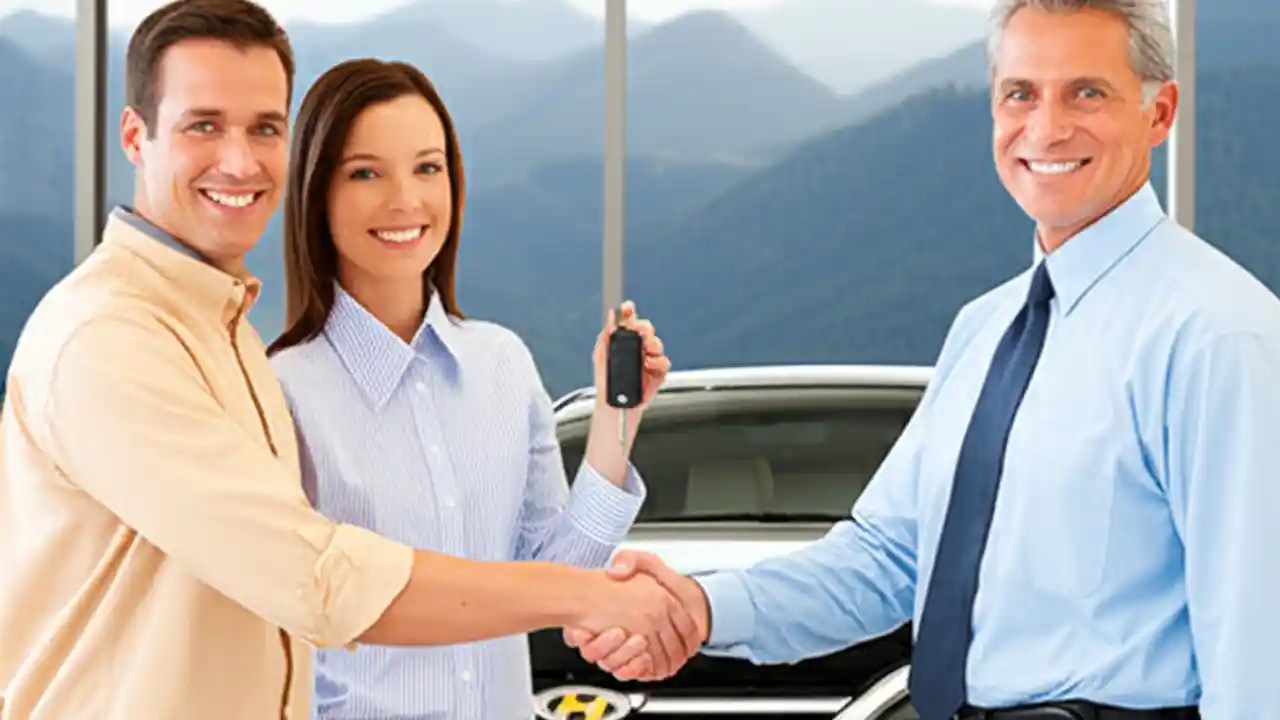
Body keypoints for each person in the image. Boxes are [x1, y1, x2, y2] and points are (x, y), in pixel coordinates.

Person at [567, 1, 1280, 718]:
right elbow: (891, 560)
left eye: (1087, 92)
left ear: (1160, 114)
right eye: (1020, 93)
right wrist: (699, 605)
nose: (1047, 127)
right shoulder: (985, 331)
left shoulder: (1218, 335)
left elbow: (1258, 642)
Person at [0, 2, 697, 719]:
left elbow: (542, 572)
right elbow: (316, 579)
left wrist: (616, 437)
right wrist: (600, 598)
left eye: (265, 127)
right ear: (135, 136)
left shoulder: (225, 331)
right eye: (203, 124)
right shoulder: (114, 340)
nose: (239, 160)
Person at [264, 57, 673, 719]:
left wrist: (614, 422)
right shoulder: (281, 391)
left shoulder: (502, 364)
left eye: (428, 167)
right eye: (366, 172)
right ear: (316, 191)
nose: (405, 199)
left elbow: (559, 578)